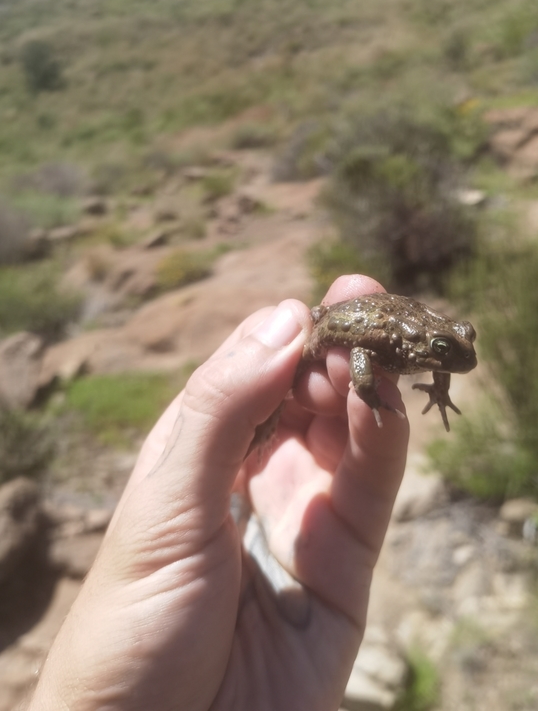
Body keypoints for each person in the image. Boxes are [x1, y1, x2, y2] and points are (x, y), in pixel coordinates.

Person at [27, 275, 410, 711]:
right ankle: (261, 437)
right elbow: (358, 355)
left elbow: (380, 353)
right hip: (324, 339)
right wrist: (368, 393)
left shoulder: (413, 342)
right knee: (295, 390)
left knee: (306, 396)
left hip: (290, 652)